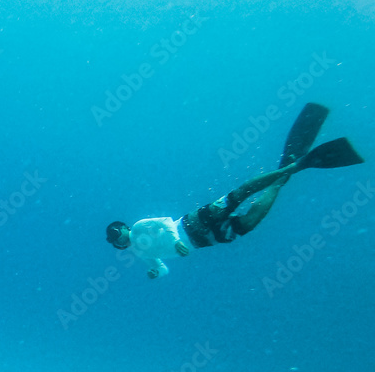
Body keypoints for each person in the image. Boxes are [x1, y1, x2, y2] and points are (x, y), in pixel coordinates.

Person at [106, 103, 365, 278]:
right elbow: (162, 267)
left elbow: (164, 221)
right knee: (247, 224)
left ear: (124, 227)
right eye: (114, 240)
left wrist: (175, 241)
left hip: (190, 224)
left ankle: (292, 167)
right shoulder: (140, 253)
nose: (118, 239)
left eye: (117, 232)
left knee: (237, 196)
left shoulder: (139, 227)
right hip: (202, 241)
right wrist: (156, 272)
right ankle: (283, 176)